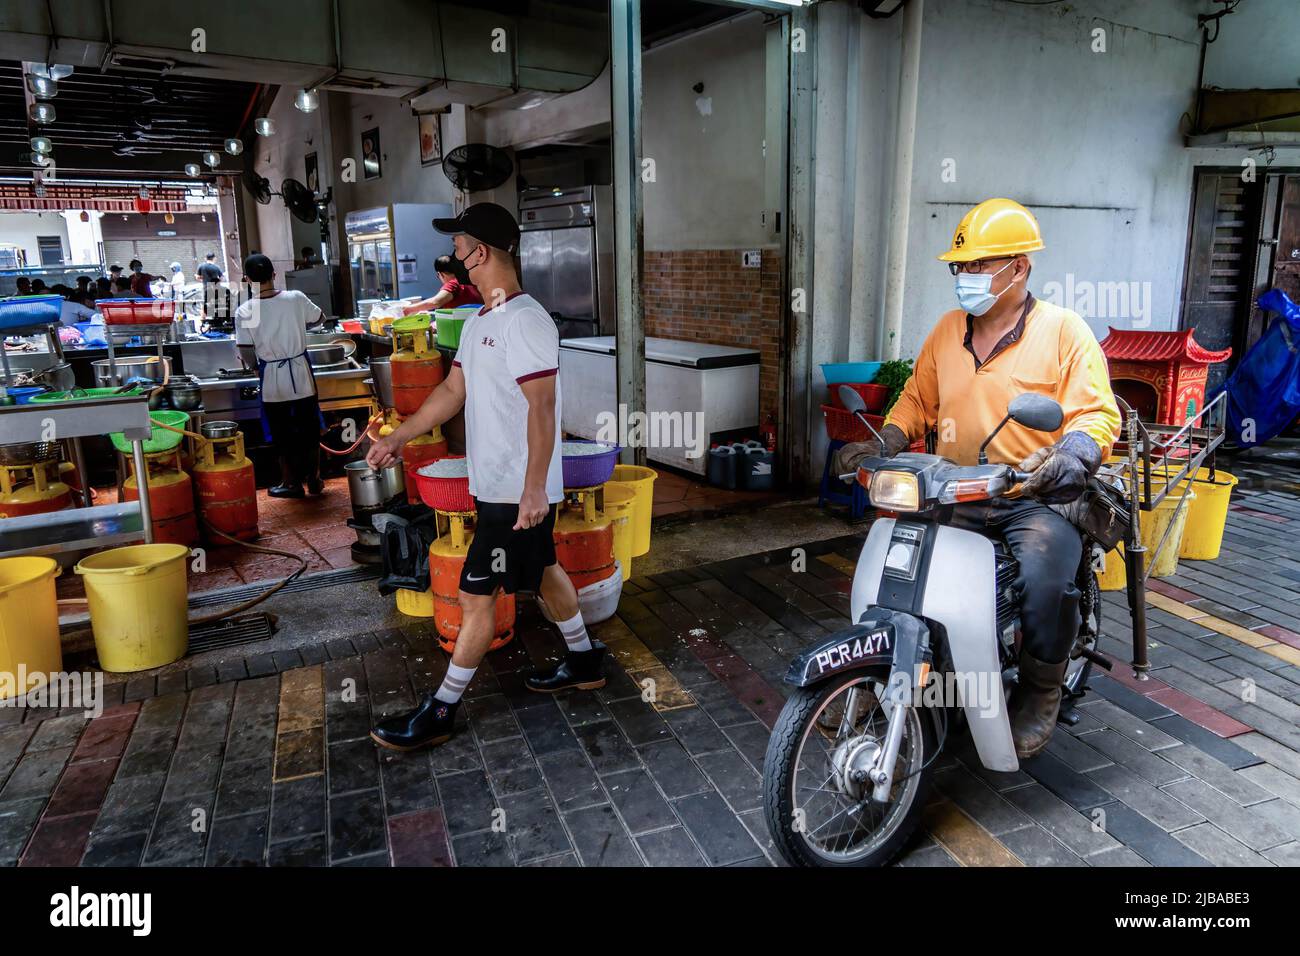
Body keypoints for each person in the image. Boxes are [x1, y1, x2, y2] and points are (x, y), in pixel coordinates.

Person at [835, 198, 1121, 759]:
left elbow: (1098, 413)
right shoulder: (946, 331)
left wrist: (1073, 454)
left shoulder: (1064, 331)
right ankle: (885, 669)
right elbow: (918, 400)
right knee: (900, 563)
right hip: (952, 487)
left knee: (1045, 582)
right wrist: (884, 441)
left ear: (1020, 268)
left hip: (1030, 496)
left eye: (978, 265)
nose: (966, 277)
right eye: (960, 267)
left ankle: (1039, 692)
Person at [367, 202, 600, 752]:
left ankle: (441, 710)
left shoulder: (525, 320)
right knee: (543, 570)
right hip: (500, 485)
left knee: (476, 597)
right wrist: (398, 436)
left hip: (517, 493)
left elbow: (542, 410)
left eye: (460, 247)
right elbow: (452, 392)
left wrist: (533, 490)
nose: (454, 260)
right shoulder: (480, 322)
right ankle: (585, 663)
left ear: (483, 252)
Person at [234, 253, 325, 498]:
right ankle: (315, 480)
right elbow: (319, 319)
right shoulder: (295, 298)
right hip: (302, 374)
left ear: (247, 280)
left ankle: (291, 483)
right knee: (309, 429)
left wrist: (255, 368)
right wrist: (294, 326)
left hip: (273, 378)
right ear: (274, 275)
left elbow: (246, 351)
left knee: (282, 433)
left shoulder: (246, 310)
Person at [400, 254, 483, 315]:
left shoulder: (453, 284)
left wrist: (408, 309)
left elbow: (436, 302)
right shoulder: (470, 282)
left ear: (441, 274)